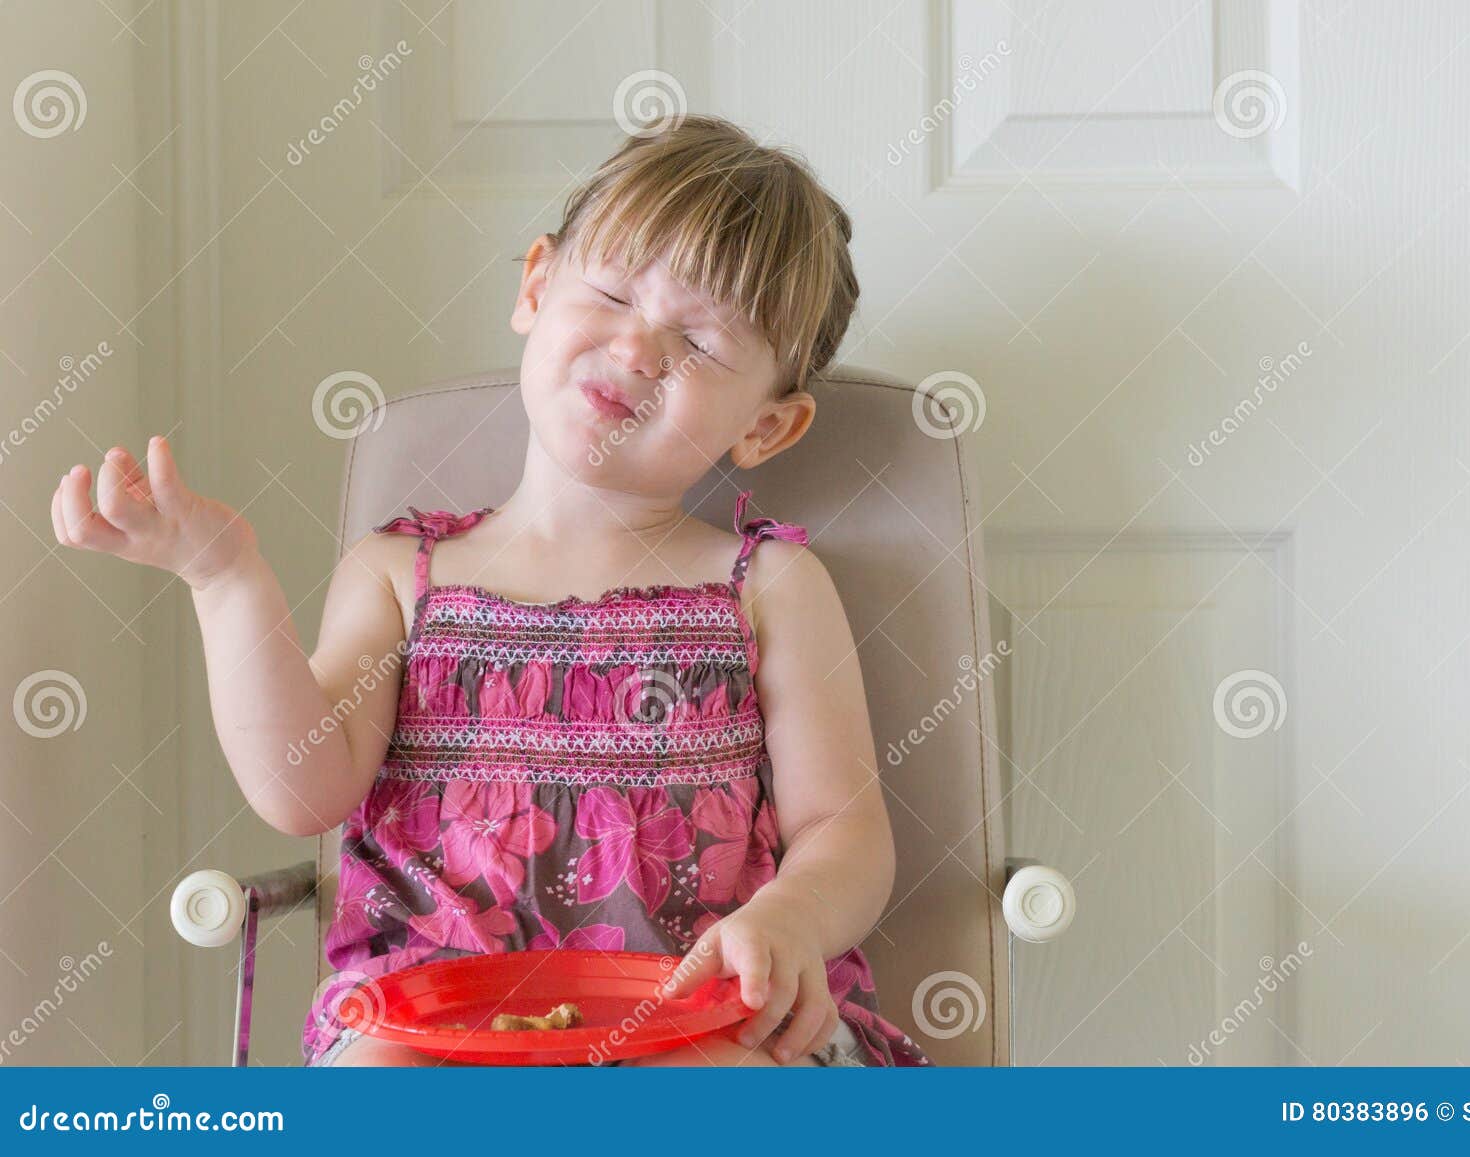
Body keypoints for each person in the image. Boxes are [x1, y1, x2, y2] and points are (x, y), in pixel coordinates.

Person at [50, 114, 932, 1068]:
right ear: (536, 284)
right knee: (375, 1082)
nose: (639, 350)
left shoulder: (768, 587)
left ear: (765, 426)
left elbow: (845, 833)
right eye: (611, 291)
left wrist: (792, 918)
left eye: (700, 345)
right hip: (433, 1021)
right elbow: (301, 791)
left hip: (698, 1013)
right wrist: (222, 577)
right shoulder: (398, 575)